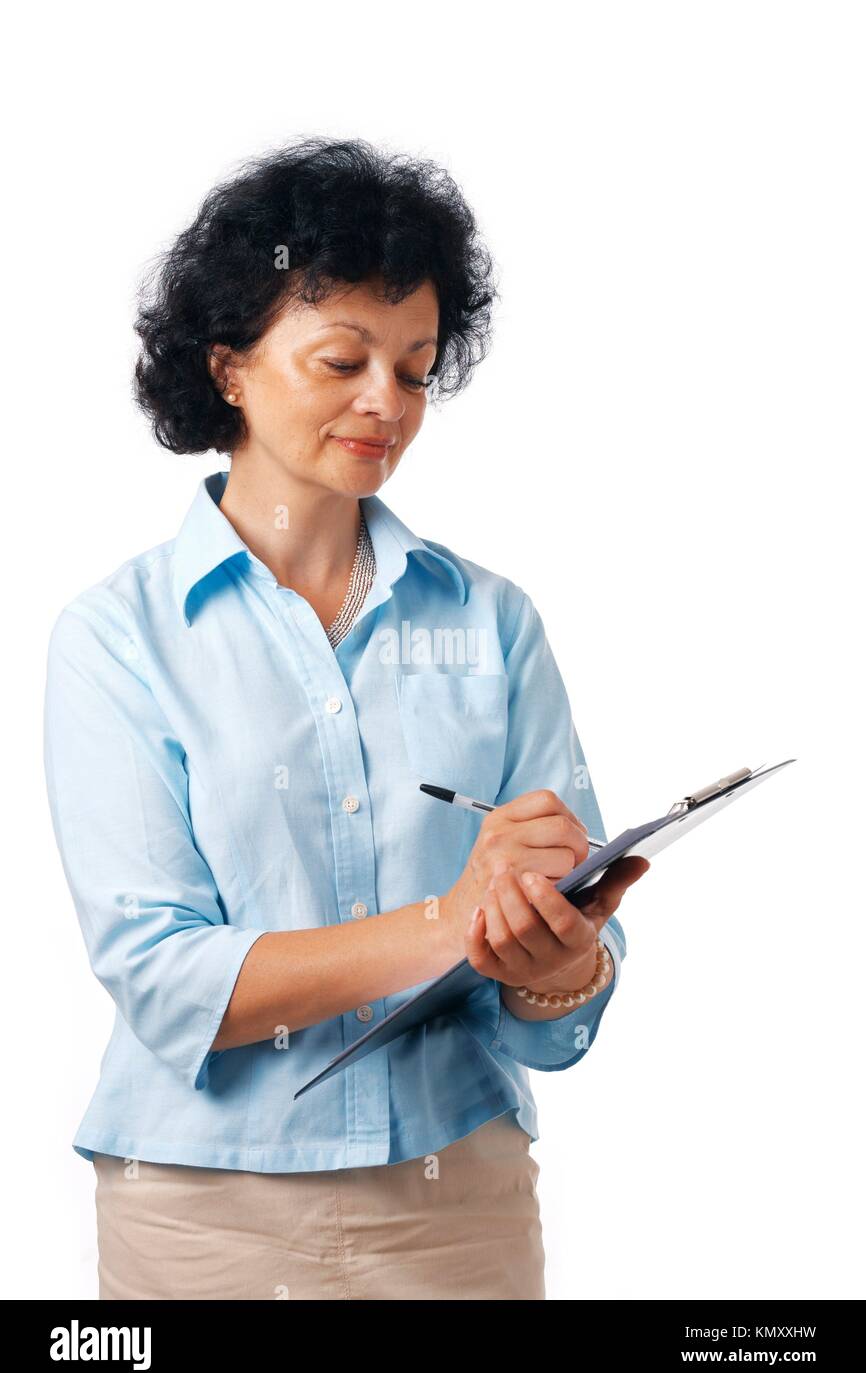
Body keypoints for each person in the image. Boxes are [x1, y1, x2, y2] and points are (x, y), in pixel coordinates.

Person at [43, 136, 648, 1301]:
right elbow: (167, 979)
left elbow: (557, 990)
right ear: (227, 368)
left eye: (416, 369)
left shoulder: (491, 621)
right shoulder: (117, 638)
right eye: (341, 359)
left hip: (456, 1204)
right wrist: (451, 919)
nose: (387, 402)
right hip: (204, 1221)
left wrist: (553, 954)